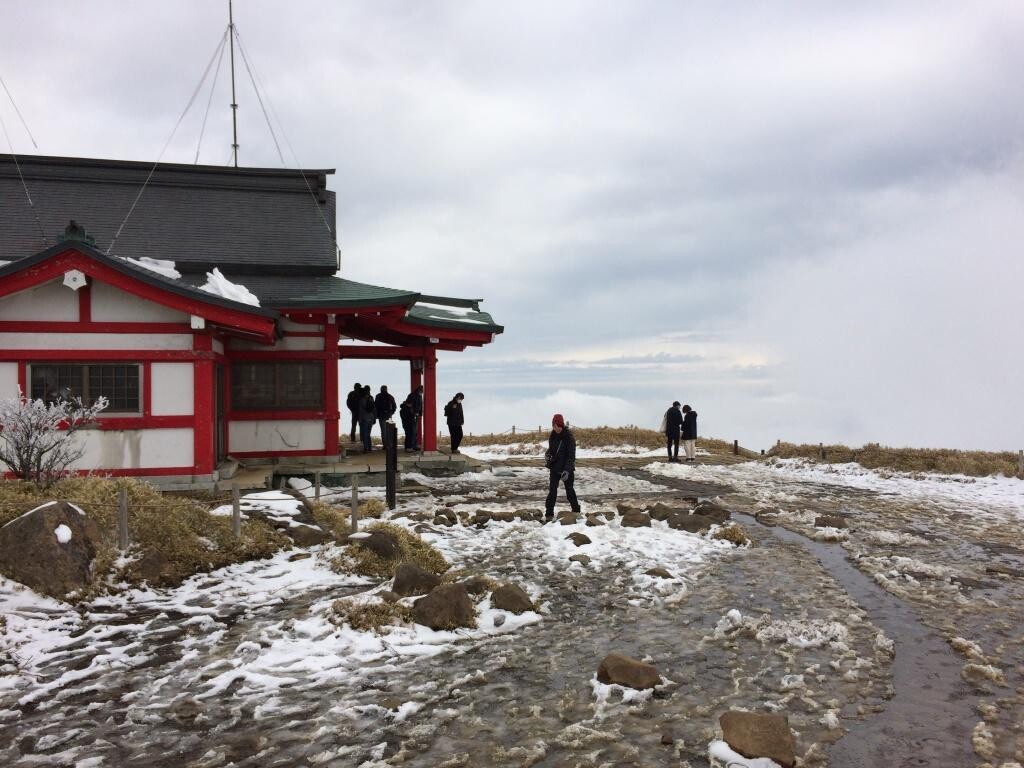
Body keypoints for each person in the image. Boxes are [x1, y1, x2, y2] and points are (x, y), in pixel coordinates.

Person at [544, 413, 579, 522]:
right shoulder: (552, 436)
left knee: (569, 491)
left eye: (558, 426)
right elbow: (552, 450)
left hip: (566, 469)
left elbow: (571, 456)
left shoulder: (569, 437)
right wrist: (548, 455)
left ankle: (576, 511)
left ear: (562, 425)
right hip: (554, 468)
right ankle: (549, 515)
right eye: (554, 426)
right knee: (552, 492)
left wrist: (567, 470)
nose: (556, 428)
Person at [357, 385, 376, 453]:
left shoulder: (361, 400)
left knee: (365, 434)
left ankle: (366, 448)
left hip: (364, 418)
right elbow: (374, 409)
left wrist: (360, 420)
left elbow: (360, 411)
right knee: (368, 434)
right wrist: (374, 418)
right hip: (371, 417)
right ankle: (370, 448)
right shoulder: (371, 399)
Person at [409, 384, 424, 451]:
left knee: (415, 431)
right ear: (419, 390)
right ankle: (410, 446)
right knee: (412, 431)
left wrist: (420, 413)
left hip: (416, 415)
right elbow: (409, 405)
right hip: (411, 416)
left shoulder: (419, 396)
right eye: (422, 391)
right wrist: (413, 413)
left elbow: (420, 405)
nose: (422, 392)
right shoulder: (412, 395)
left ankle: (414, 445)